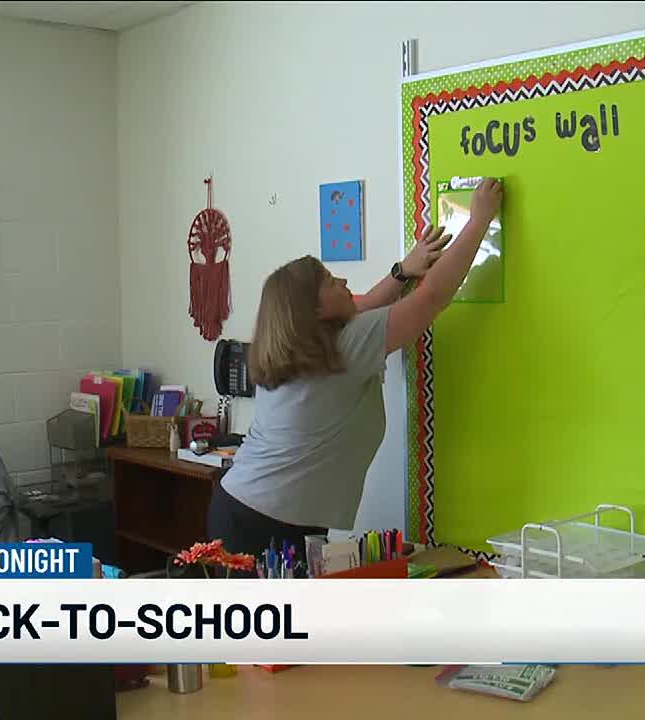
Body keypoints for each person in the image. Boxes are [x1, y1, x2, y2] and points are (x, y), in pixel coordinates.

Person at [207, 178, 503, 558]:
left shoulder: (301, 346)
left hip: (244, 510)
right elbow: (432, 298)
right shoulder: (344, 346)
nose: (344, 280)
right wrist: (479, 220)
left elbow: (360, 311)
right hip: (266, 526)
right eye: (332, 281)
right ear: (315, 311)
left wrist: (401, 272)